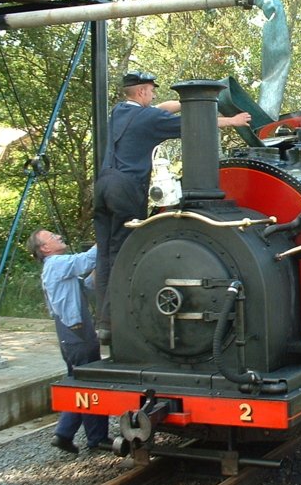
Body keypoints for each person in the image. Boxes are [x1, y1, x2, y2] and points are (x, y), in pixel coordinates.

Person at [94, 71, 251, 341]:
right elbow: (197, 124)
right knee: (122, 252)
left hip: (103, 186)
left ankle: (102, 321)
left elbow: (162, 108)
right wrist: (232, 121)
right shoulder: (149, 118)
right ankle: (114, 322)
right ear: (142, 92)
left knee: (105, 254)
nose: (155, 95)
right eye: (152, 90)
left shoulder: (121, 111)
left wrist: (183, 102)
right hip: (127, 188)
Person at [26, 229, 109, 454]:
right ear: (44, 248)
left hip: (72, 333)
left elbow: (89, 284)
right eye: (52, 236)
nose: (59, 236)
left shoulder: (60, 268)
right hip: (77, 333)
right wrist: (107, 235)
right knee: (90, 383)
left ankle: (64, 434)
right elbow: (87, 259)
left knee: (79, 382)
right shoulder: (56, 264)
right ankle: (97, 438)